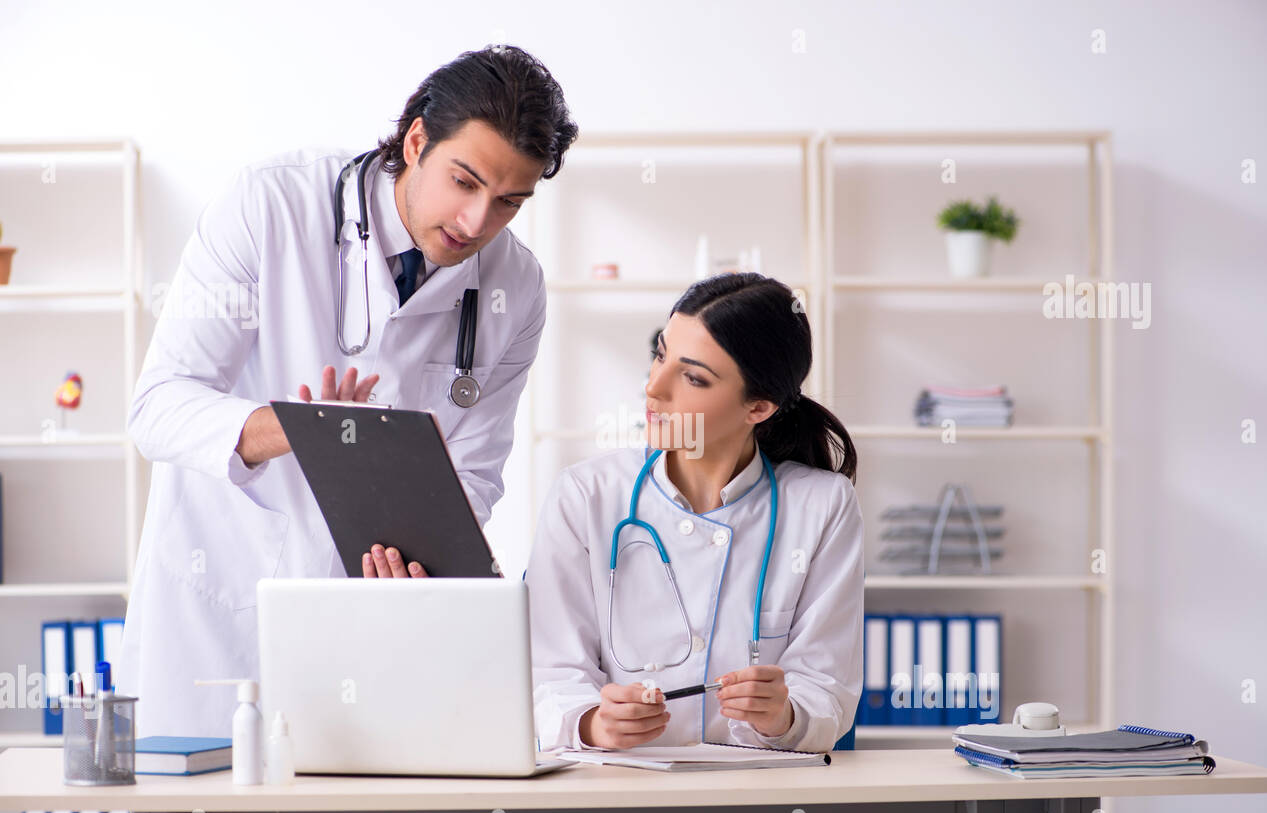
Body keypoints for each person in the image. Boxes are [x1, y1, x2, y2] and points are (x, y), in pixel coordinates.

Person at [119, 46, 577, 738]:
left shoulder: (516, 288)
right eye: (465, 181)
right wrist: (306, 429)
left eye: (510, 200)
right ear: (416, 139)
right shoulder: (271, 205)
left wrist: (428, 555)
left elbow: (474, 476)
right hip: (218, 606)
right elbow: (157, 407)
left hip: (372, 627)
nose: (478, 221)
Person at [526, 273, 864, 752]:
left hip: (762, 800)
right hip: (615, 794)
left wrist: (783, 715)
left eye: (693, 377)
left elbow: (827, 688)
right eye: (660, 354)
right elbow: (549, 673)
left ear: (759, 407)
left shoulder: (823, 506)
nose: (653, 387)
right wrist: (591, 723)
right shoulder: (585, 495)